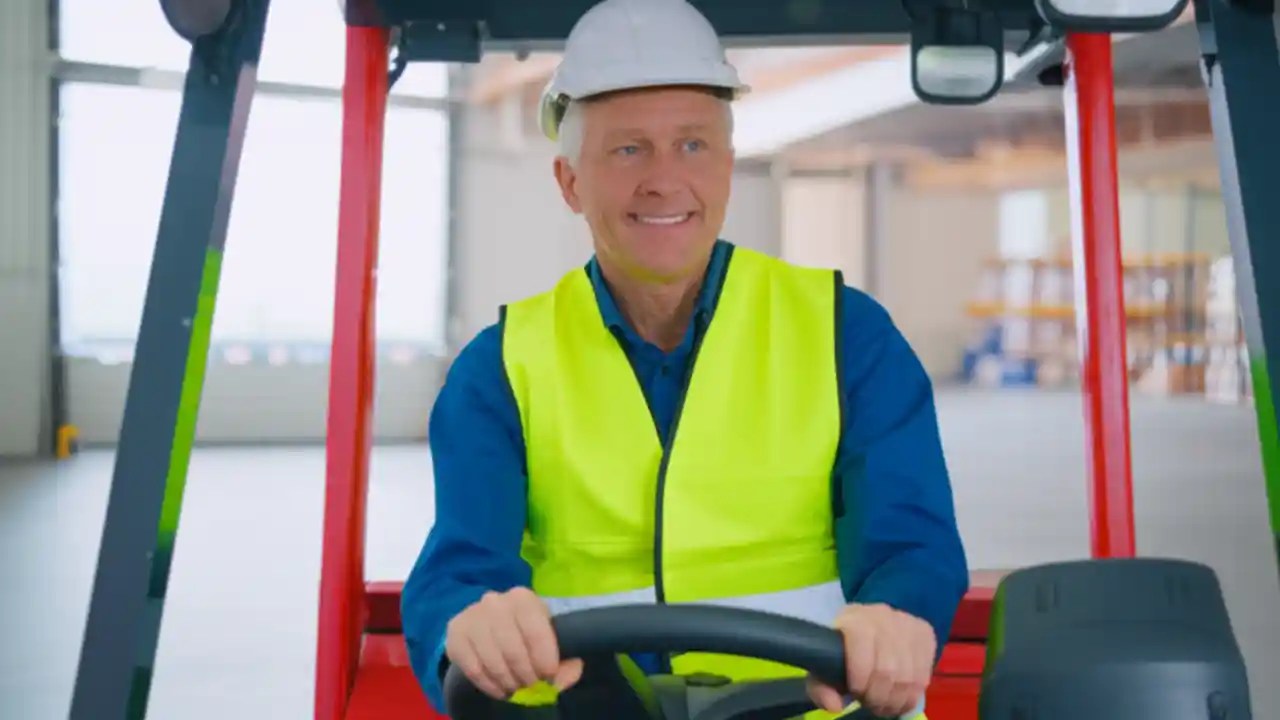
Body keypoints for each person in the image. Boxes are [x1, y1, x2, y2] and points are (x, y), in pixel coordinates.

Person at [401, 0, 969, 717]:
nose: (665, 180)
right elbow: (461, 568)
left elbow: (910, 544)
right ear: (570, 182)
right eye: (628, 149)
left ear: (728, 167)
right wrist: (471, 627)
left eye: (693, 145)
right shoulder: (502, 369)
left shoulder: (846, 336)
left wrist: (897, 615)